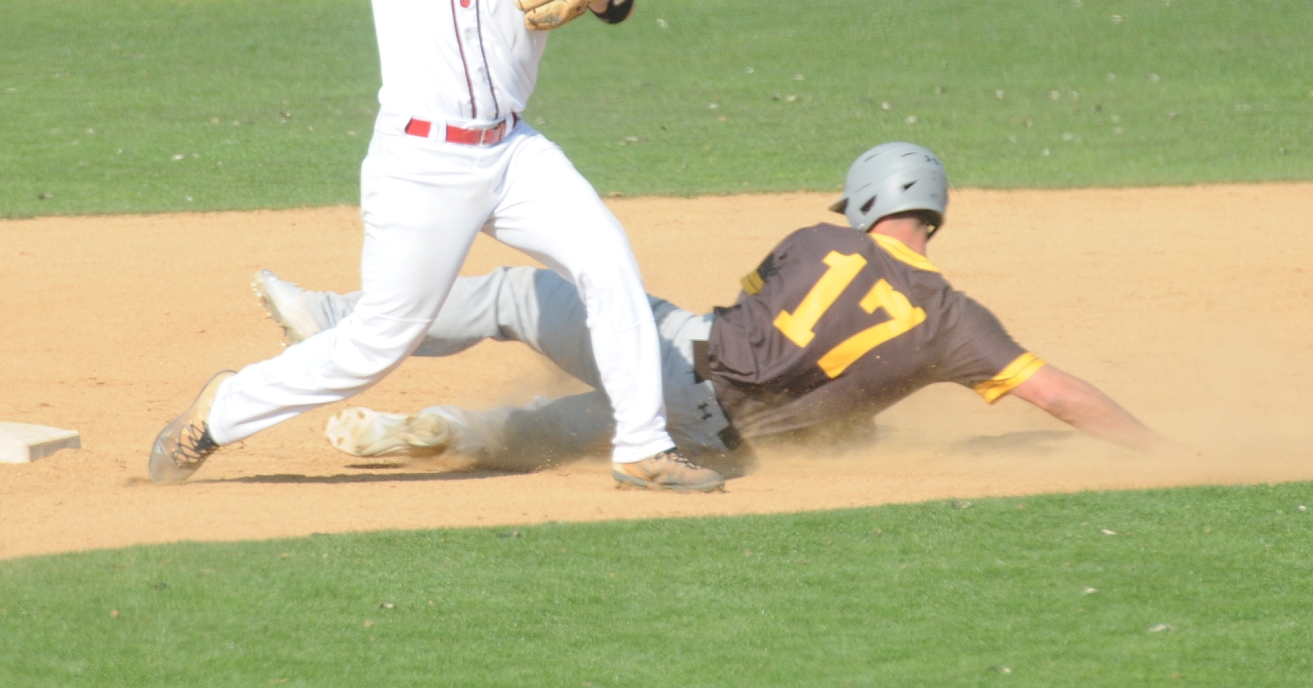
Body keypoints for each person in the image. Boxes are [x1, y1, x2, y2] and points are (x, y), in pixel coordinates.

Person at [147, 0, 725, 493]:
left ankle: (643, 447)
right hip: (419, 161)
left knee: (608, 260)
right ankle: (220, 413)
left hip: (512, 152)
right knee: (377, 342)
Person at [251, 142, 1173, 473]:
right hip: (735, 445)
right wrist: (1164, 451)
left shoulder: (815, 245)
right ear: (930, 213)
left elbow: (752, 330)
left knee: (521, 291)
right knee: (549, 431)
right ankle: (441, 430)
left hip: (689, 363)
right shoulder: (954, 322)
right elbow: (1058, 394)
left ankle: (334, 320)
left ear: (865, 201)